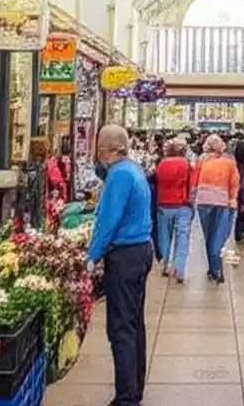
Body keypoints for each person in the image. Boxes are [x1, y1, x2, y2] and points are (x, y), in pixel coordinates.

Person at [86, 125, 153, 406]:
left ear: (105, 150)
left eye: (99, 150)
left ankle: (126, 397)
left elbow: (108, 220)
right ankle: (135, 387)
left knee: (121, 328)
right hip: (141, 251)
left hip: (124, 255)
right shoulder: (132, 170)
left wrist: (92, 255)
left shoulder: (120, 176)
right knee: (135, 323)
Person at [190, 134, 240, 283]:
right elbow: (234, 182)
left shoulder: (201, 160)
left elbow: (194, 180)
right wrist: (233, 198)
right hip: (222, 202)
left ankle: (213, 268)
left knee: (208, 236)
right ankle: (216, 268)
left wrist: (192, 198)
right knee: (219, 235)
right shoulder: (229, 161)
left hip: (203, 201)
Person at [154, 139, 192, 283]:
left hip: (163, 204)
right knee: (182, 236)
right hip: (182, 204)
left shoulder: (161, 164)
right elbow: (191, 182)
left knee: (164, 236)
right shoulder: (186, 164)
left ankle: (165, 264)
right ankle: (180, 269)